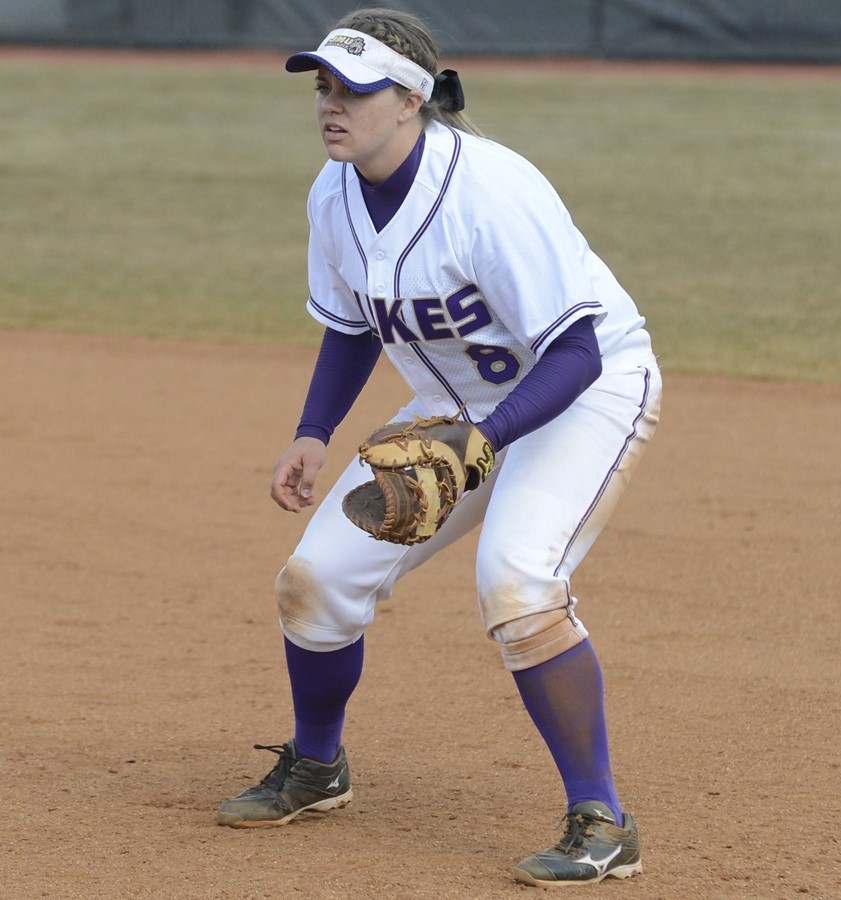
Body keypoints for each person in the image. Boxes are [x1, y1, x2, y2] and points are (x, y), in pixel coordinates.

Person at [215, 8, 662, 887]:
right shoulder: (333, 192)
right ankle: (317, 764)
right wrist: (314, 432)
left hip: (586, 391)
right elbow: (350, 326)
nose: (330, 105)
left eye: (354, 88)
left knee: (518, 581)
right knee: (316, 579)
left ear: (412, 97)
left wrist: (483, 444)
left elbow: (578, 349)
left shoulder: (490, 193)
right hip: (458, 403)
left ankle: (602, 817)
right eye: (323, 86)